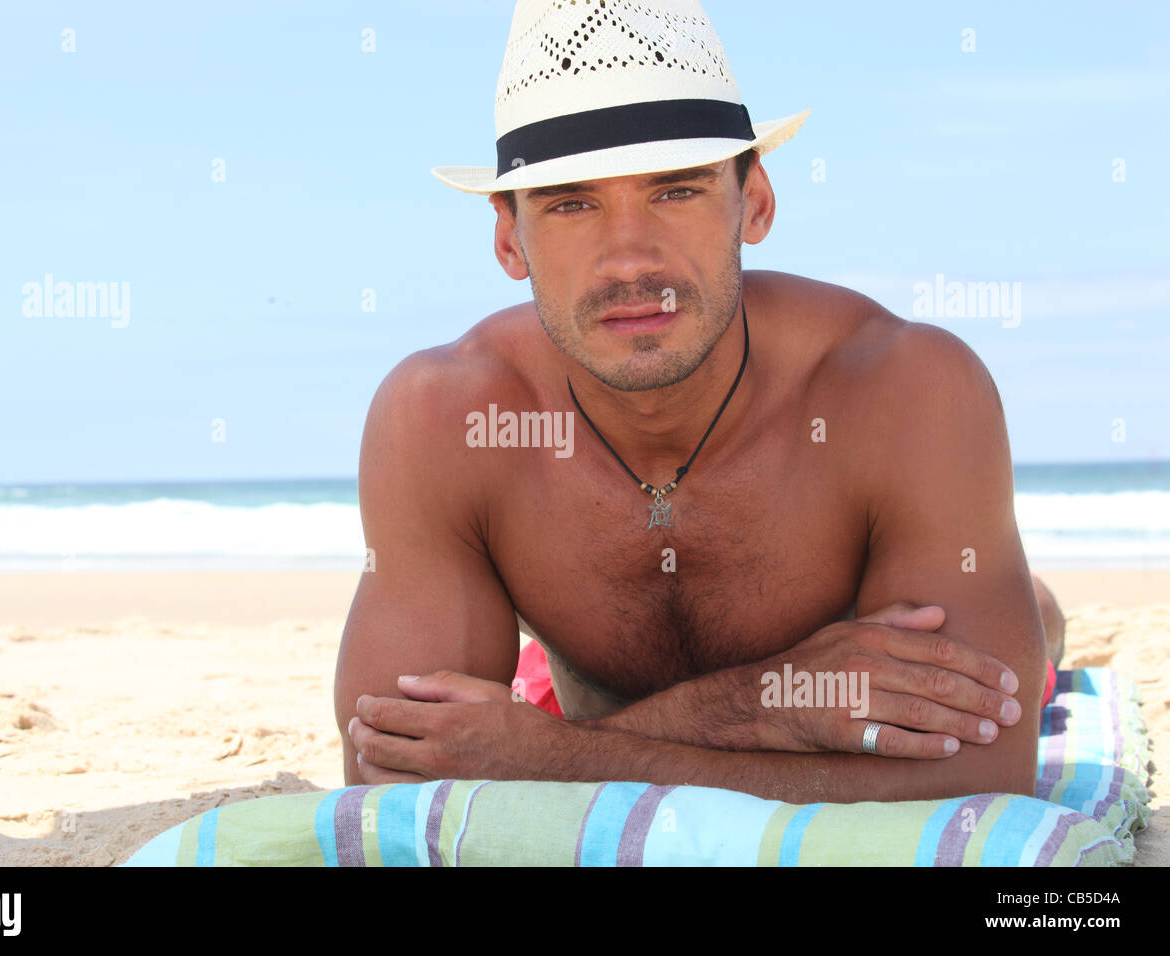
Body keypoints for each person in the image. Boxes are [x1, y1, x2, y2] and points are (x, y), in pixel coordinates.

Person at [334, 0, 1057, 803]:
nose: (628, 260)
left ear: (754, 202)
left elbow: (981, 779)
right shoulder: (444, 420)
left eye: (676, 191)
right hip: (578, 707)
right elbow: (391, 783)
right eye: (572, 203)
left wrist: (546, 756)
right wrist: (762, 705)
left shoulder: (903, 389)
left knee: (1036, 628)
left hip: (580, 725)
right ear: (508, 236)